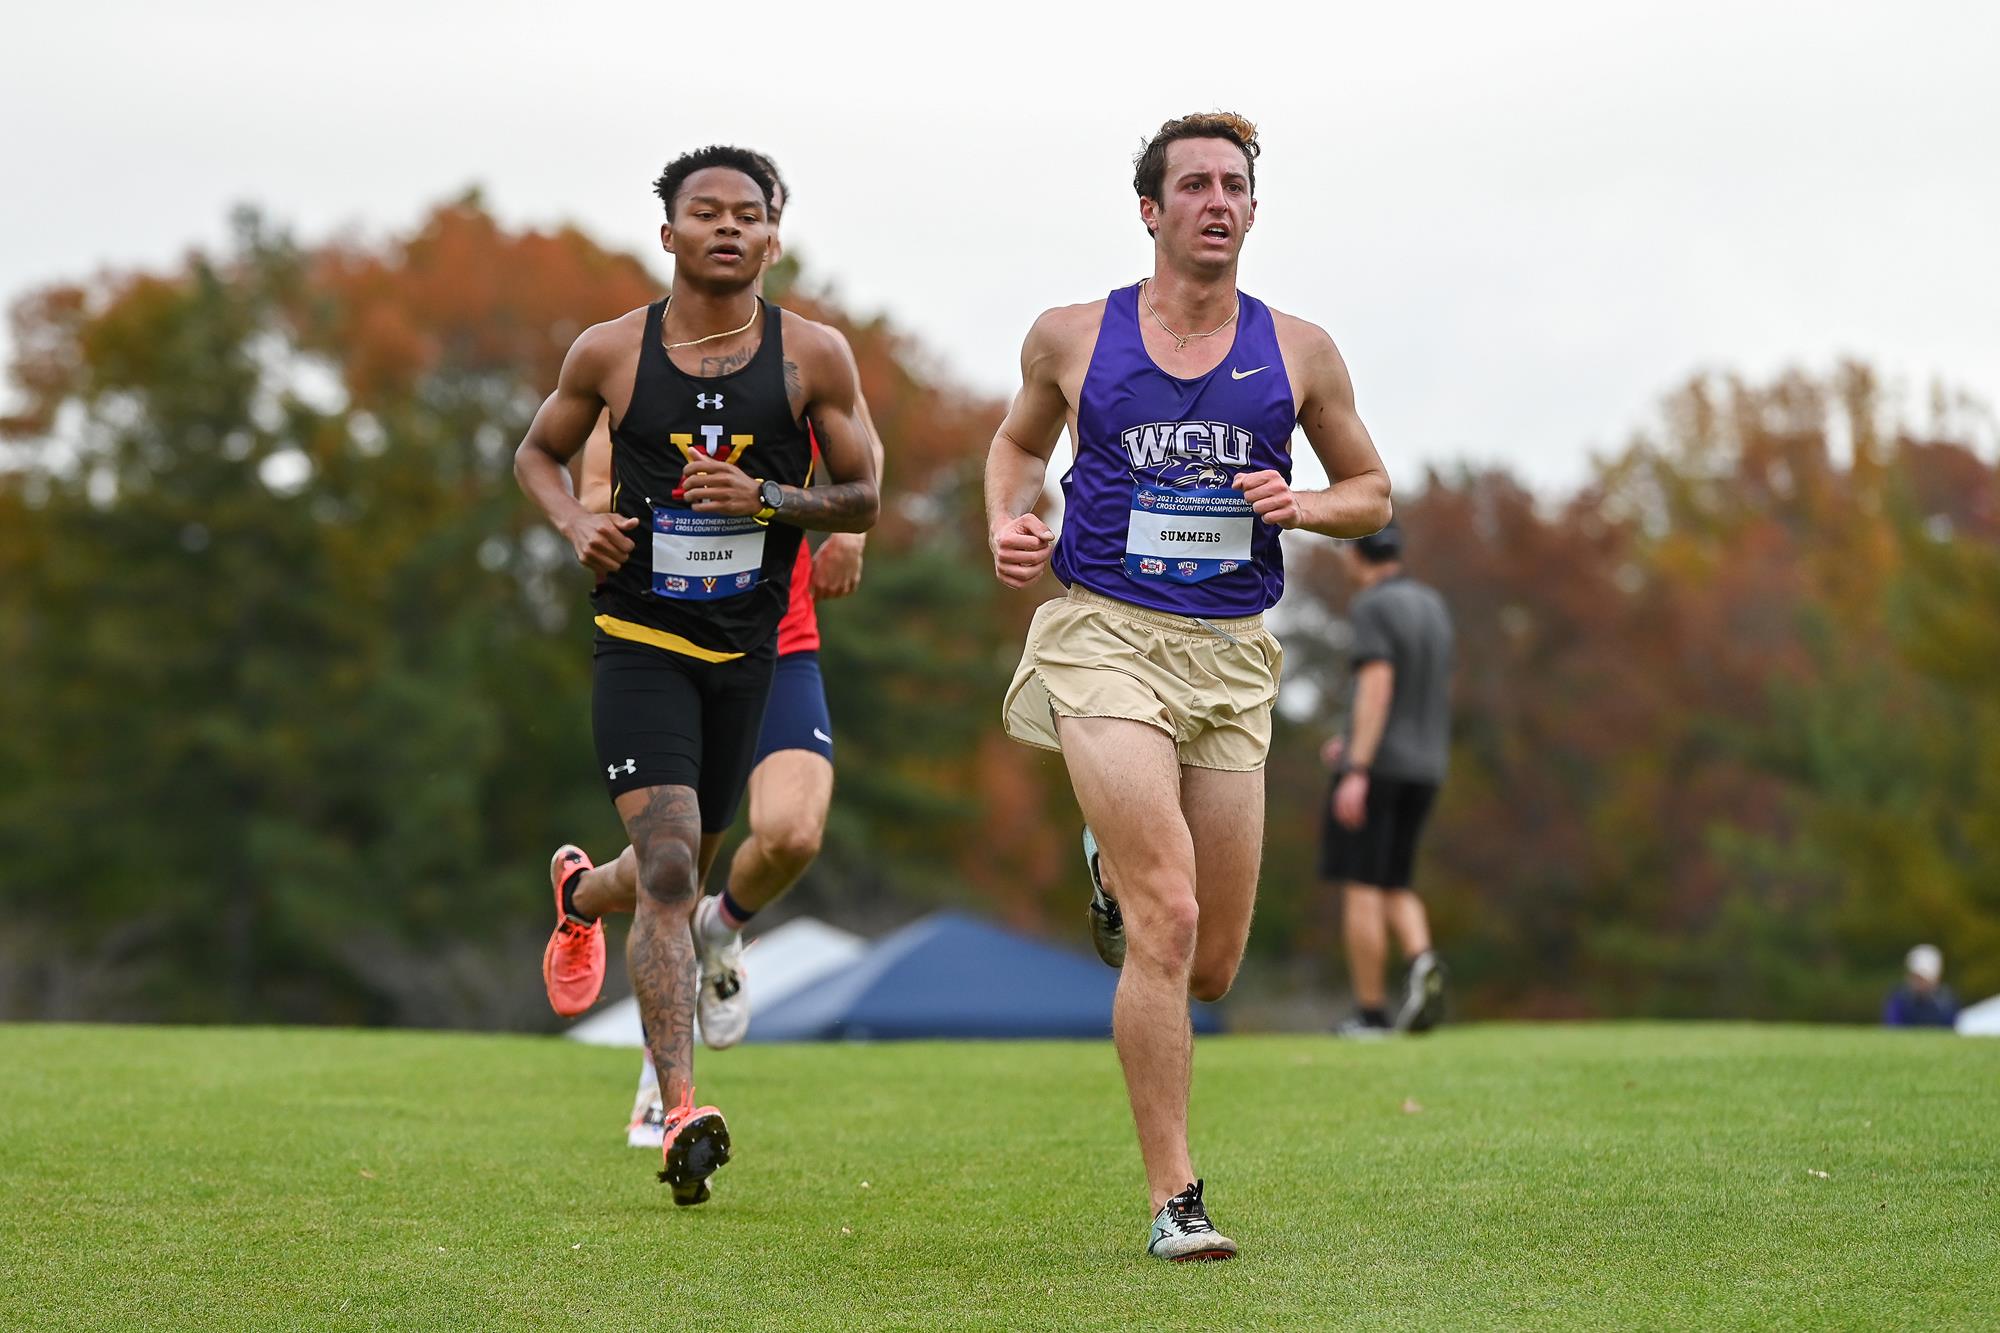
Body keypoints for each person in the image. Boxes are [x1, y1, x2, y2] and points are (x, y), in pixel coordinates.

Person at [985, 112, 1392, 1261]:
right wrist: (1011, 523)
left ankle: (1108, 868)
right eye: (1194, 185)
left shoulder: (1299, 350)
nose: (1216, 201)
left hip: (1228, 655)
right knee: (1168, 910)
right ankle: (1175, 1198)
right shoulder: (1072, 335)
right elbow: (1013, 449)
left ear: (1252, 211)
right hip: (1100, 633)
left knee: (1207, 962)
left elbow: (1369, 489)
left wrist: (1301, 507)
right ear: (1150, 211)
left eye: (1234, 186)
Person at [513, 145, 878, 1206]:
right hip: (639, 641)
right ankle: (679, 1106)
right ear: (666, 233)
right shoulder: (610, 352)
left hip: (750, 646)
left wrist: (765, 502)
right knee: (672, 871)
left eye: (748, 213)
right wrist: (578, 521)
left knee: (672, 866)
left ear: (774, 235)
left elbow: (859, 496)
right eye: (704, 213)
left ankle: (579, 893)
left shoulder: (812, 356)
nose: (728, 227)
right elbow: (538, 453)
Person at [1319, 520, 1454, 1038]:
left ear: (1358, 555)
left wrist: (1356, 767)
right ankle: (1423, 966)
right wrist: (1348, 736)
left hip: (1377, 769)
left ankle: (1370, 1014)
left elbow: (1379, 685)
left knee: (1363, 885)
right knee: (1396, 878)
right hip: (1427, 766)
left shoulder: (1373, 606)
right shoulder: (1432, 605)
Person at [1883, 944, 1959, 1028]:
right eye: (1915, 977)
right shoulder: (1899, 999)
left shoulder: (1946, 1002)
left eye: (1922, 978)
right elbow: (1892, 1026)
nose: (1918, 982)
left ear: (1937, 978)